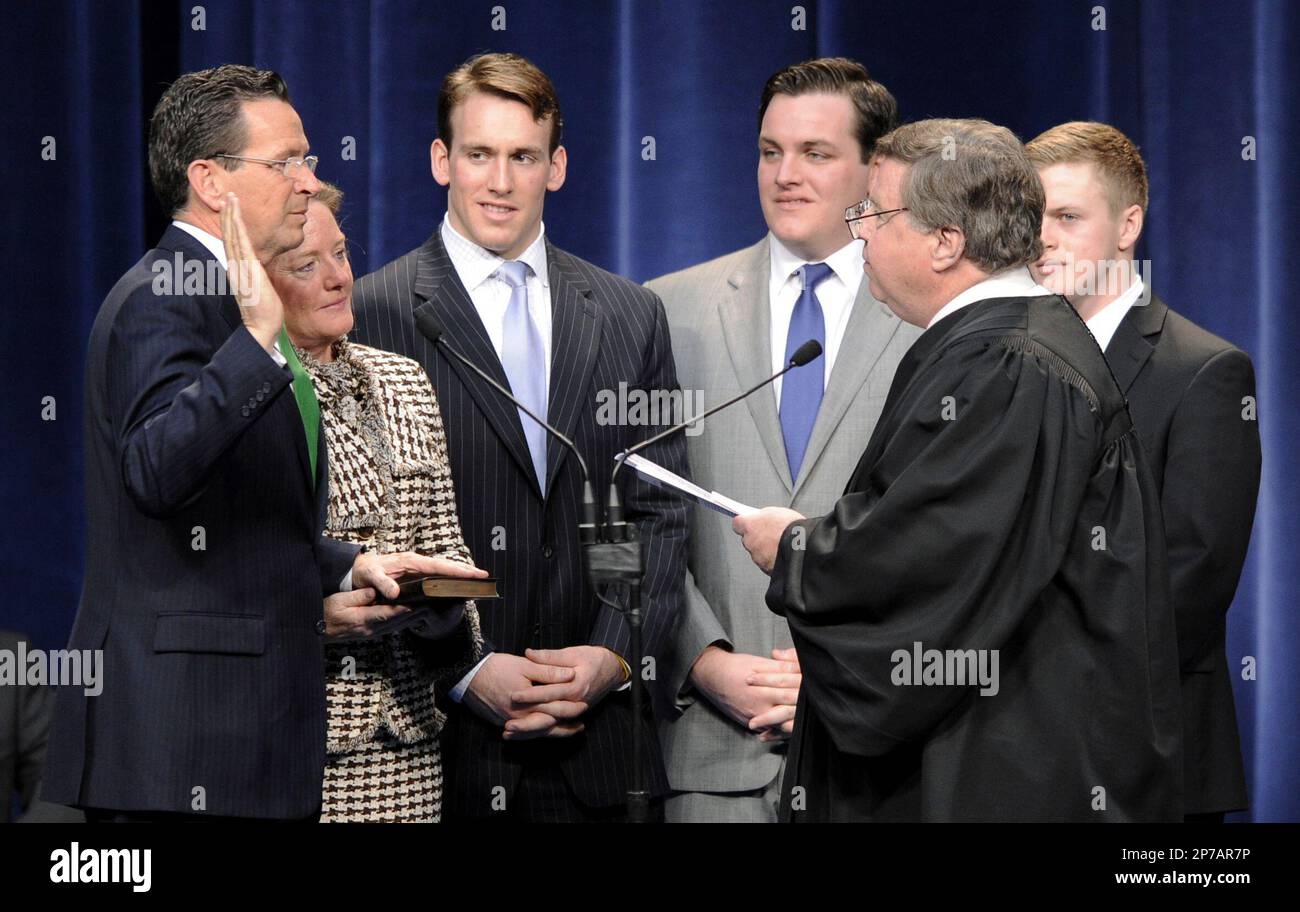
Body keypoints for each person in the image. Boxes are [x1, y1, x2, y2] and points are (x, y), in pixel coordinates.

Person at [41, 64, 477, 821]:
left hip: (245, 742)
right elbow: (153, 471)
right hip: (184, 745)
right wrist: (255, 340)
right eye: (286, 162)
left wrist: (350, 567)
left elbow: (242, 520)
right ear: (210, 180)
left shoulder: (230, 303)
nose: (309, 181)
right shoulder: (165, 295)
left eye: (306, 159)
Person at [733, 118, 1183, 821]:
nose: (859, 236)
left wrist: (796, 553)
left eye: (873, 214)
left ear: (946, 242)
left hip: (1002, 776)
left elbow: (937, 565)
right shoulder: (1001, 348)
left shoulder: (1012, 365)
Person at [351, 52, 688, 821]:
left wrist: (611, 654)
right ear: (442, 161)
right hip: (439, 749)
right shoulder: (373, 316)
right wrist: (468, 668)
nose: (500, 182)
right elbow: (361, 532)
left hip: (604, 753)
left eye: (522, 157)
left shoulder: (631, 315)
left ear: (557, 166)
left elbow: (659, 514)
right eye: (479, 155)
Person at [646, 58, 920, 823]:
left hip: (874, 754)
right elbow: (643, 512)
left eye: (816, 153)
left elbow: (948, 535)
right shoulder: (668, 309)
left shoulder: (930, 319)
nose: (786, 174)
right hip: (710, 751)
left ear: (877, 167)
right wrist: (702, 661)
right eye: (771, 151)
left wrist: (848, 676)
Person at [1028, 121, 1261, 822]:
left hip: (1149, 769)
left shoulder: (1206, 370)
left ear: (1129, 224)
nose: (1042, 236)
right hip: (1019, 764)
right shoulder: (1008, 362)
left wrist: (1037, 687)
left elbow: (1190, 578)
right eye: (1031, 215)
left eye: (1067, 216)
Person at [268, 183, 486, 822]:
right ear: (256, 288)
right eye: (308, 266)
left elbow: (451, 555)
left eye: (341, 254)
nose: (339, 279)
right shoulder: (247, 397)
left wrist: (441, 607)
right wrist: (316, 620)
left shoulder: (404, 379)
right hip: (300, 741)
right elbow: (234, 576)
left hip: (411, 749)